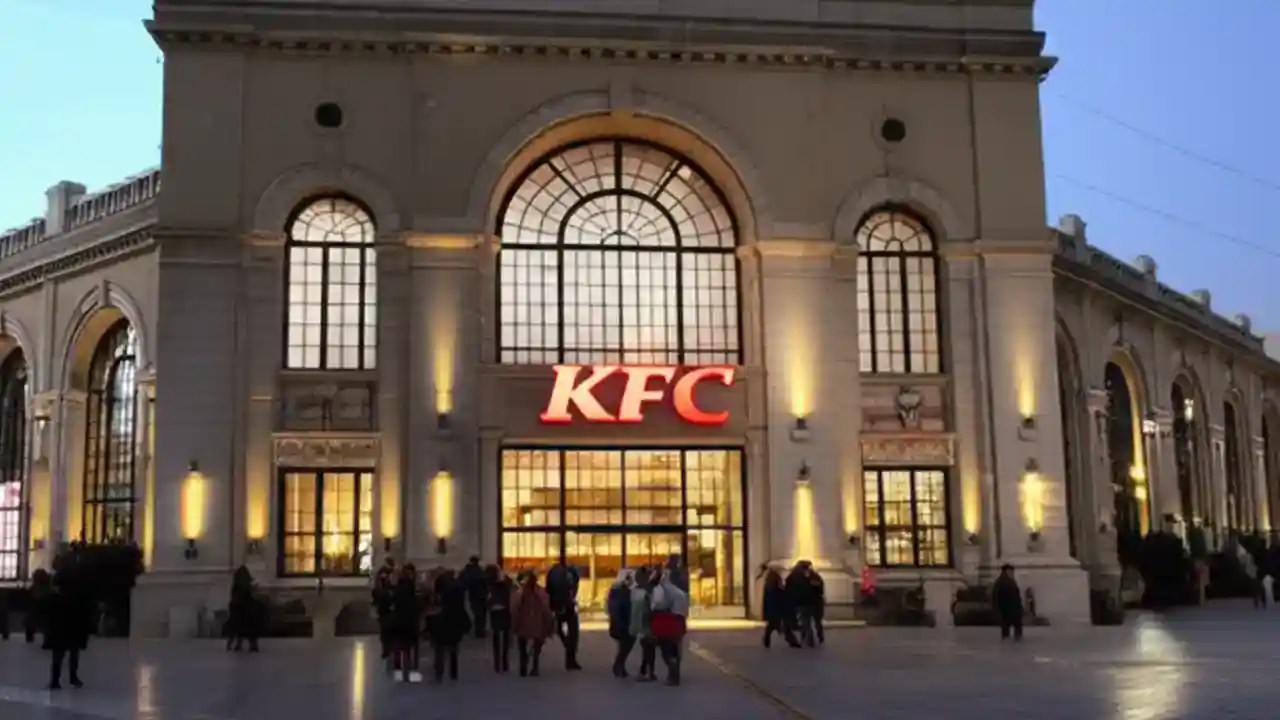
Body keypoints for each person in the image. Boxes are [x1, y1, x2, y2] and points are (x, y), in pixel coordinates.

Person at [45, 554, 90, 690]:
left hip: (61, 621)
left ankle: (55, 679)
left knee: (59, 652)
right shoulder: (78, 579)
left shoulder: (58, 580)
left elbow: (52, 599)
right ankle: (73, 677)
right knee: (73, 651)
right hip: (74, 619)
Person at [427, 569, 470, 682]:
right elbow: (461, 608)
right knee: (453, 648)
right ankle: (453, 673)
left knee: (439, 648)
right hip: (454, 621)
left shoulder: (440, 592)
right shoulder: (458, 589)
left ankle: (439, 672)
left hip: (441, 621)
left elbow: (434, 606)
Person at [650, 568, 690, 686]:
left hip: (667, 623)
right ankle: (674, 673)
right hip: (679, 622)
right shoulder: (679, 592)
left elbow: (659, 605)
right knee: (675, 649)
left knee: (666, 650)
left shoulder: (663, 590)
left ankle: (673, 674)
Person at [511, 570, 554, 677]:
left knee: (522, 646)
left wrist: (513, 624)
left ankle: (523, 665)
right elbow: (546, 610)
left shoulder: (520, 594)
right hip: (537, 624)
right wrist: (549, 625)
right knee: (536, 647)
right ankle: (535, 667)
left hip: (523, 624)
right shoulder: (541, 593)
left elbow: (514, 609)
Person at [545, 560, 582, 670]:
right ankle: (571, 657)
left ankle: (568, 647)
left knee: (560, 628)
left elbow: (548, 590)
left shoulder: (552, 573)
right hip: (567, 606)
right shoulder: (570, 575)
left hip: (557, 606)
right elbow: (572, 589)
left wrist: (552, 605)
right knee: (573, 632)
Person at [391, 564, 423, 682]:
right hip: (410, 621)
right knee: (408, 646)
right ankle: (409, 665)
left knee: (398, 644)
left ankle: (398, 665)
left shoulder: (397, 590)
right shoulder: (411, 591)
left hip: (398, 620)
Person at [486, 564, 515, 673]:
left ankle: (497, 663)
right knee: (506, 636)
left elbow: (488, 599)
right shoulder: (506, 584)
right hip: (504, 610)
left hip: (495, 611)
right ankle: (504, 662)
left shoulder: (490, 585)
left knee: (496, 636)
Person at [761, 567, 799, 648]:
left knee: (773, 626)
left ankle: (767, 639)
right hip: (777, 610)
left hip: (773, 610)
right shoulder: (775, 588)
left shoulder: (769, 586)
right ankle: (792, 642)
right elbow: (779, 598)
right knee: (783, 627)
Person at [607, 569, 635, 678]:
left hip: (618, 622)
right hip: (623, 622)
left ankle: (620, 666)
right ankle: (618, 665)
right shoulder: (623, 592)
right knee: (626, 645)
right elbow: (623, 607)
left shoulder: (614, 591)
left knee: (624, 646)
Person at [226, 565, 262, 653]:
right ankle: (251, 645)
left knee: (238, 628)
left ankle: (237, 644)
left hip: (239, 607)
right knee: (249, 628)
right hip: (244, 608)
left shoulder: (238, 581)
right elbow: (247, 591)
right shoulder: (244, 582)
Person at [630, 567, 657, 682]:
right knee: (649, 649)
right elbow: (650, 608)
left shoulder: (634, 591)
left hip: (639, 624)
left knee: (648, 648)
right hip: (647, 624)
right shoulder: (648, 591)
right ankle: (646, 671)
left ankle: (647, 671)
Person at [785, 562, 815, 647]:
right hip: (806, 603)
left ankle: (804, 639)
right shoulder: (806, 578)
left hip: (797, 603)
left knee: (802, 622)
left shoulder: (791, 577)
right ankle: (808, 640)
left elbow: (788, 591)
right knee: (806, 622)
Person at [459, 555, 488, 638]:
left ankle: (479, 629)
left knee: (478, 612)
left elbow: (464, 582)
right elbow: (485, 581)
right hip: (481, 594)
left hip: (474, 594)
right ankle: (480, 630)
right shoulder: (479, 570)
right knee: (481, 613)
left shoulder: (468, 571)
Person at [993, 564, 1024, 641]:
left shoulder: (1009, 581)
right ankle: (1012, 643)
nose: (1012, 573)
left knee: (1013, 627)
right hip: (1008, 609)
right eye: (1010, 571)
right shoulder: (1003, 582)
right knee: (1010, 627)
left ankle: (1013, 643)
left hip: (1012, 609)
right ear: (1006, 571)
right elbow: (999, 597)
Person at [26, 569, 51, 643]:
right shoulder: (44, 585)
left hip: (40, 604)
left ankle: (30, 636)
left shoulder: (39, 586)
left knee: (32, 620)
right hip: (40, 605)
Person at [808, 564, 826, 645]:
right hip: (818, 602)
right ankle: (820, 637)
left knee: (807, 622)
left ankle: (809, 639)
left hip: (809, 602)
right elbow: (821, 591)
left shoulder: (806, 580)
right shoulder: (818, 579)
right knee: (818, 622)